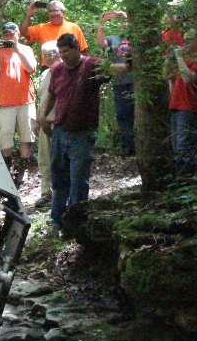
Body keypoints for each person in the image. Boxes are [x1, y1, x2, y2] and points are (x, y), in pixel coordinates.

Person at [35, 33, 129, 228]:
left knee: (78, 180)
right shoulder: (58, 70)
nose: (64, 56)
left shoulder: (90, 65)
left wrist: (130, 64)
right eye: (61, 53)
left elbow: (114, 69)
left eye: (67, 52)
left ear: (77, 48)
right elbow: (51, 95)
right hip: (60, 131)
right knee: (59, 180)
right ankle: (57, 219)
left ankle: (76, 222)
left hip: (82, 133)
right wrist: (42, 115)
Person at [0, 22, 39, 185]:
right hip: (6, 101)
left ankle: (23, 168)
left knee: (27, 134)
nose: (8, 36)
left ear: (17, 34)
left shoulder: (26, 49)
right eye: (5, 34)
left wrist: (16, 49)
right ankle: (7, 167)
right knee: (4, 136)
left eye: (11, 33)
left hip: (26, 99)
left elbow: (31, 68)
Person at [165, 30, 197, 175]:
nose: (186, 43)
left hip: (189, 106)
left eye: (189, 39)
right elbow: (166, 76)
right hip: (176, 104)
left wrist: (179, 58)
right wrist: (169, 59)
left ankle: (194, 174)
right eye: (185, 39)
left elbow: (189, 79)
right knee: (177, 145)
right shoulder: (185, 60)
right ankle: (183, 176)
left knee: (184, 144)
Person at [96, 10, 134, 155]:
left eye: (126, 21)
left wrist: (125, 16)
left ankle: (139, 144)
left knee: (137, 113)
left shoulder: (135, 39)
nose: (124, 24)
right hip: (120, 82)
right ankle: (128, 146)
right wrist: (102, 22)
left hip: (136, 82)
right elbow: (101, 42)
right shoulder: (115, 39)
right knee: (123, 114)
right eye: (123, 21)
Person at [20, 0, 89, 66]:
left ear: (63, 12)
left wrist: (82, 68)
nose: (52, 14)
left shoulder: (74, 27)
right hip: (48, 67)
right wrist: (29, 14)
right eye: (50, 11)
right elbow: (23, 32)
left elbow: (82, 50)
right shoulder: (41, 28)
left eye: (55, 11)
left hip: (69, 66)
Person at [33, 43, 61, 208]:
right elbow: (42, 99)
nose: (49, 56)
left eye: (52, 53)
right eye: (46, 54)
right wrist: (38, 120)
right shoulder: (44, 74)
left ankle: (61, 192)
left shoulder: (66, 71)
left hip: (60, 122)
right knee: (44, 159)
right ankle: (46, 193)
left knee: (60, 159)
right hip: (44, 123)